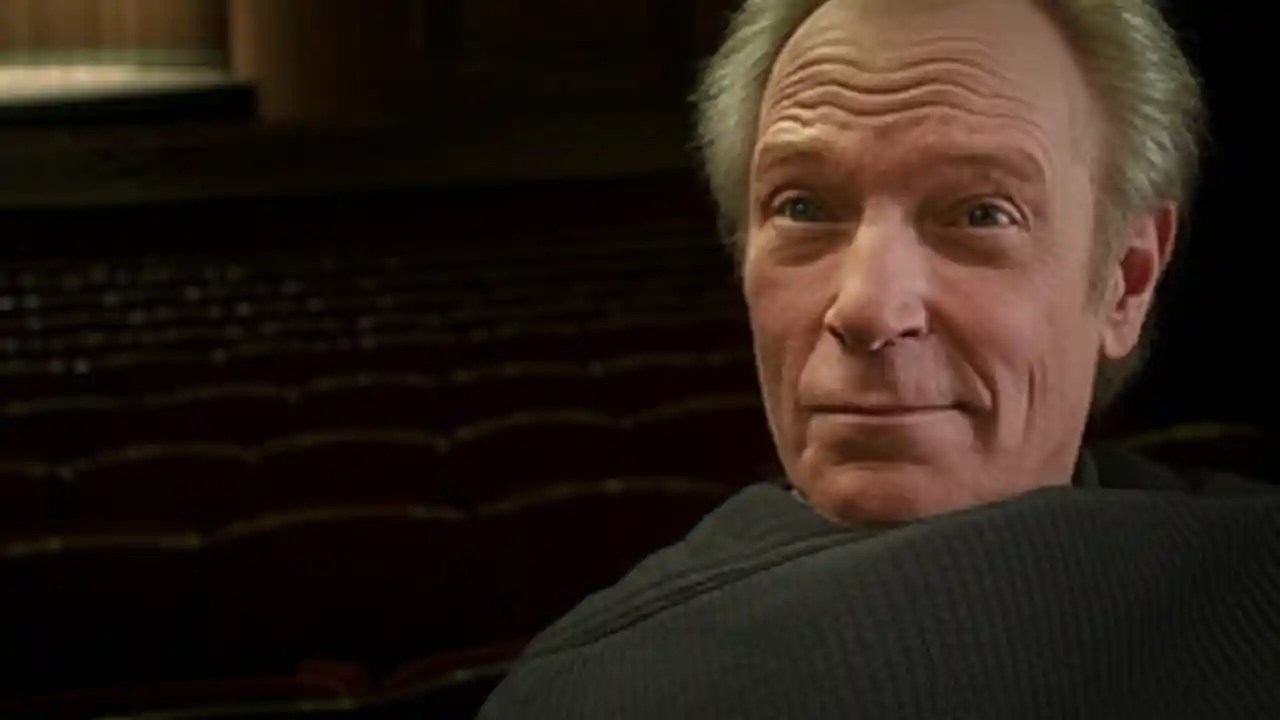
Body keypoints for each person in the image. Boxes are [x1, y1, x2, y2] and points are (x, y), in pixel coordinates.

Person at [479, 0, 1279, 716]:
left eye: (979, 212)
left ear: (1126, 282)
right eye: (802, 207)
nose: (865, 306)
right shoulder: (593, 695)